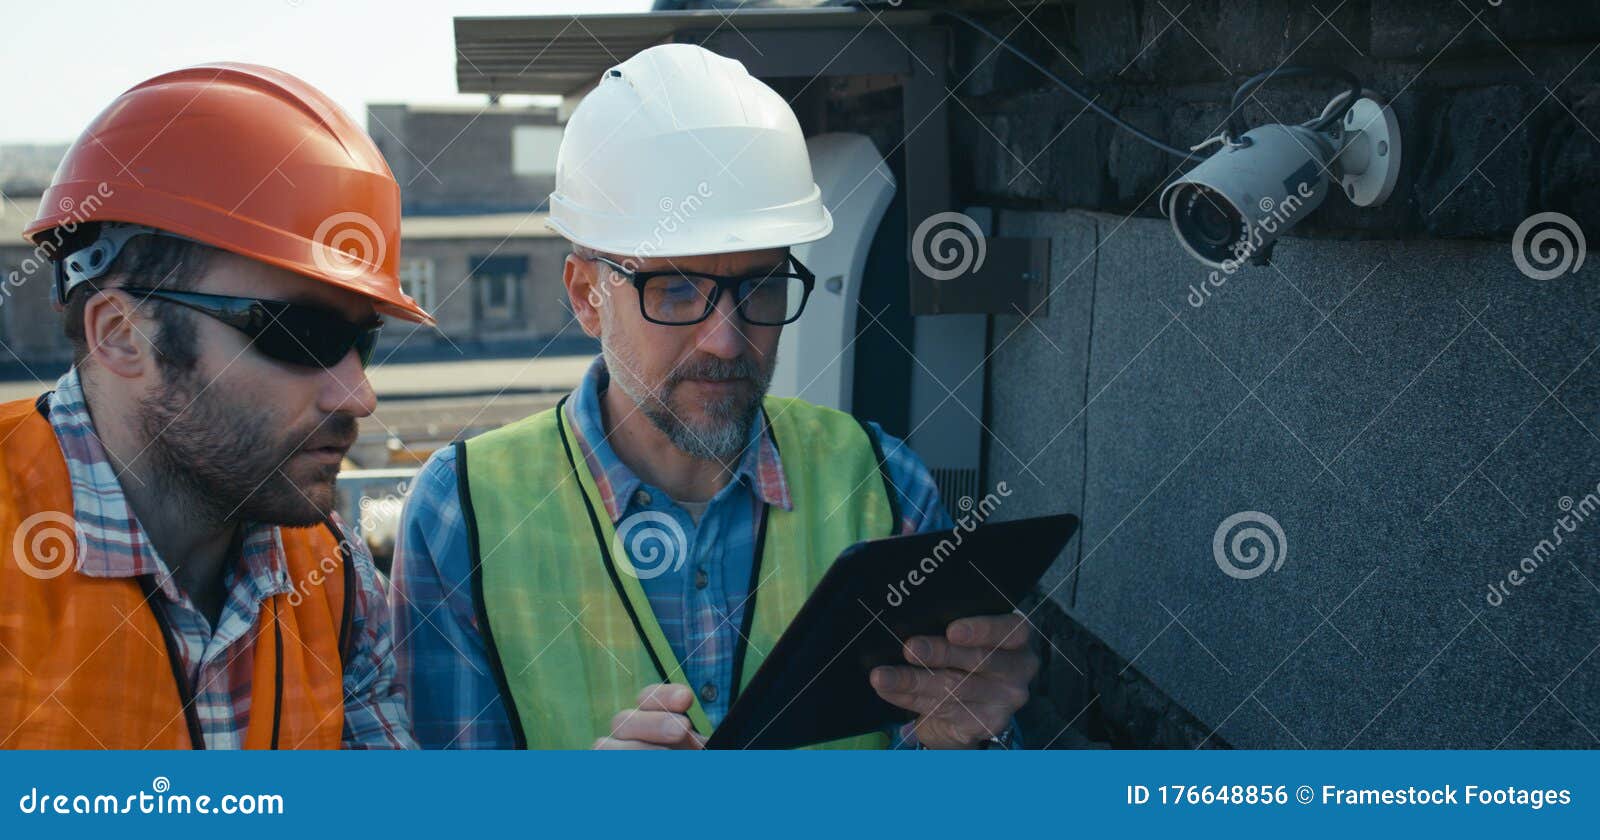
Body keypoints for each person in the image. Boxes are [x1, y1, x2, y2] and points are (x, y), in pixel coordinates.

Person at [392, 44, 1037, 749]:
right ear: (587, 296)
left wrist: (976, 740)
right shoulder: (462, 518)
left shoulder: (884, 484)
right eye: (675, 288)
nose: (727, 342)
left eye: (758, 286)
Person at [0, 63, 430, 749]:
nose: (359, 394)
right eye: (301, 334)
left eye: (361, 342)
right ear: (122, 336)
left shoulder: (331, 575)